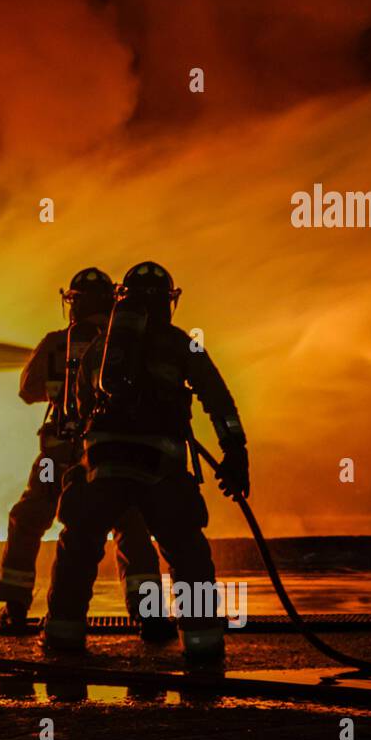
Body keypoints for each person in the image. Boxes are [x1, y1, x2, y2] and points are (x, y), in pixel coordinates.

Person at [42, 261, 249, 660]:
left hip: (103, 466)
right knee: (186, 552)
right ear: (167, 302)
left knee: (79, 548)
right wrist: (235, 452)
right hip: (162, 467)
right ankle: (202, 643)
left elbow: (83, 408)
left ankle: (63, 636)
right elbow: (219, 401)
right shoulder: (181, 343)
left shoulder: (102, 349)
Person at [0, 267, 168, 638]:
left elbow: (28, 390)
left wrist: (60, 387)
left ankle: (17, 605)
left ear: (72, 304)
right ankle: (150, 617)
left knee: (29, 518)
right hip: (111, 453)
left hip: (58, 455)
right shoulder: (126, 342)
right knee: (131, 525)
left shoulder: (57, 342)